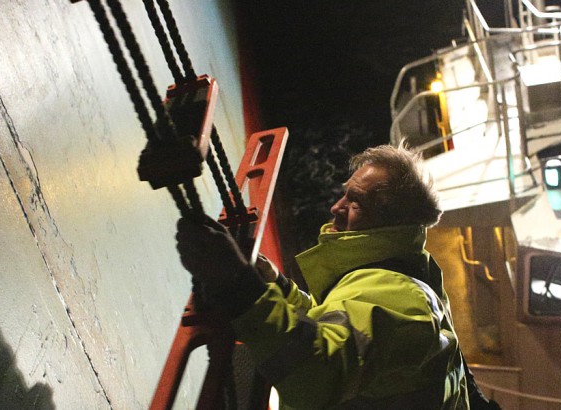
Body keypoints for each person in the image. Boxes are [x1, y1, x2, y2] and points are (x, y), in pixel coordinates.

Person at [177, 145, 492, 409]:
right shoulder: (400, 282)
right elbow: (337, 327)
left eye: (356, 201)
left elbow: (314, 373)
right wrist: (277, 285)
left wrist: (241, 287)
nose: (335, 206)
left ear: (390, 224)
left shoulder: (403, 303)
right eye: (345, 194)